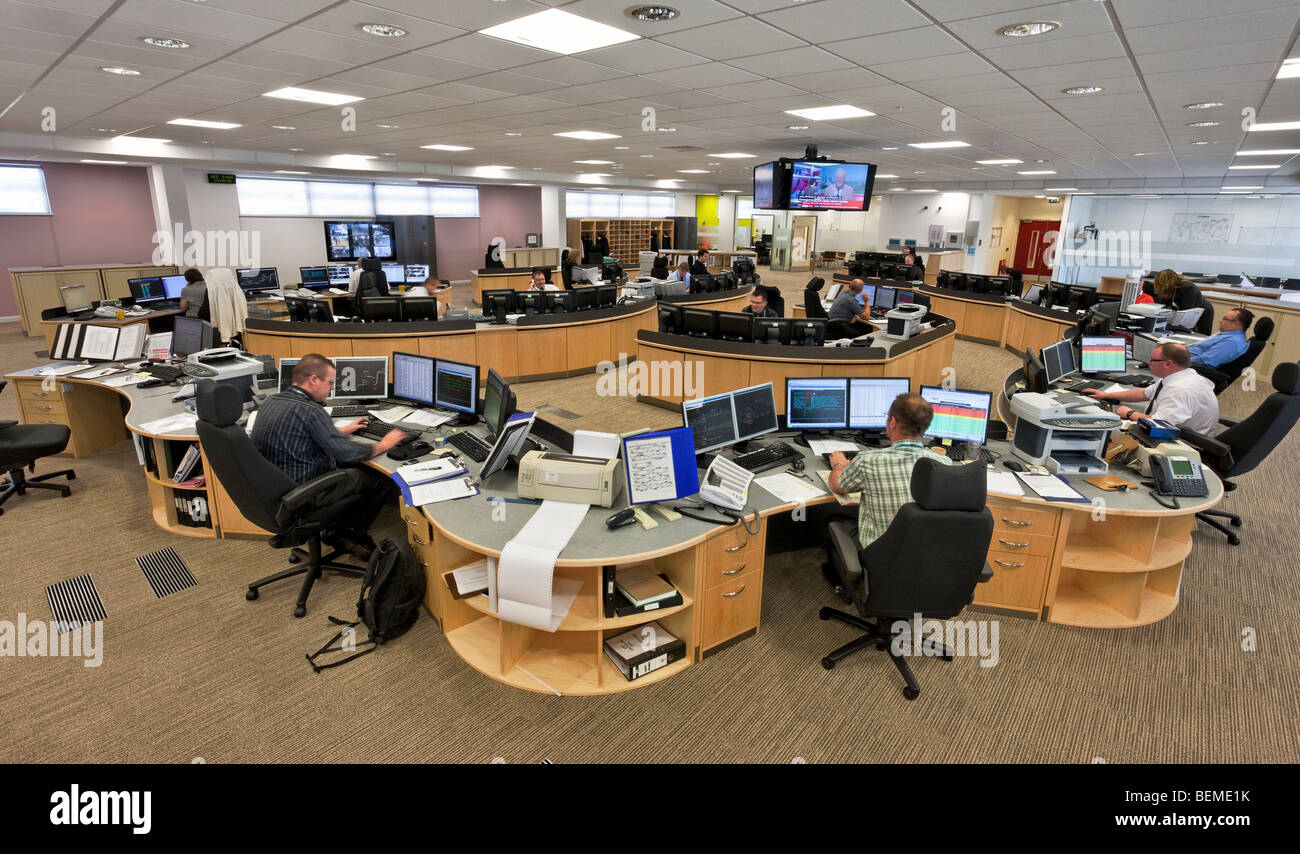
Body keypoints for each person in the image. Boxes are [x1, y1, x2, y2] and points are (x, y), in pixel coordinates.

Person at [252, 353, 407, 554]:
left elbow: (297, 435)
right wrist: (384, 444)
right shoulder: (310, 410)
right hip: (305, 490)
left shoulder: (273, 402)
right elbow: (348, 453)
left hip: (279, 487)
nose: (332, 388)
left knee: (354, 470)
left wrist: (342, 431)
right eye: (330, 382)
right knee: (379, 478)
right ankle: (348, 533)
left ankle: (338, 528)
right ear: (314, 379)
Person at [828, 393, 951, 551]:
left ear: (892, 422)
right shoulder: (944, 464)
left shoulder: (868, 461)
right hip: (925, 554)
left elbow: (837, 484)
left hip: (881, 555)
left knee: (832, 519)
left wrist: (839, 464)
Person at [1082, 342, 1218, 435]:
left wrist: (1130, 414)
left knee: (1101, 430)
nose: (1148, 363)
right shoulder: (1181, 376)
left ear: (1168, 363)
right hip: (1177, 429)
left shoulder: (1179, 389)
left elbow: (1160, 425)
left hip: (1185, 441)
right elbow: (1143, 393)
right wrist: (1106, 395)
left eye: (1153, 360)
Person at [1148, 269, 1213, 335]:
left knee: (1198, 336)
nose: (1161, 294)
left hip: (1201, 315)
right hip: (1188, 313)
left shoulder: (1189, 289)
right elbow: (1163, 309)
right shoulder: (1169, 291)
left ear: (1167, 286)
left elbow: (1188, 317)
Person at [1189, 308, 1253, 369]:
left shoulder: (1231, 342)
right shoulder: (1228, 335)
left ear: (1235, 324)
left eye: (1225, 319)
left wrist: (1180, 360)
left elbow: (1204, 361)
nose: (1220, 320)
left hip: (1187, 365)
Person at [202, 268, 248, 346]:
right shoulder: (237, 291)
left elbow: (203, 314)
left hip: (218, 338)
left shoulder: (210, 293)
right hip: (238, 336)